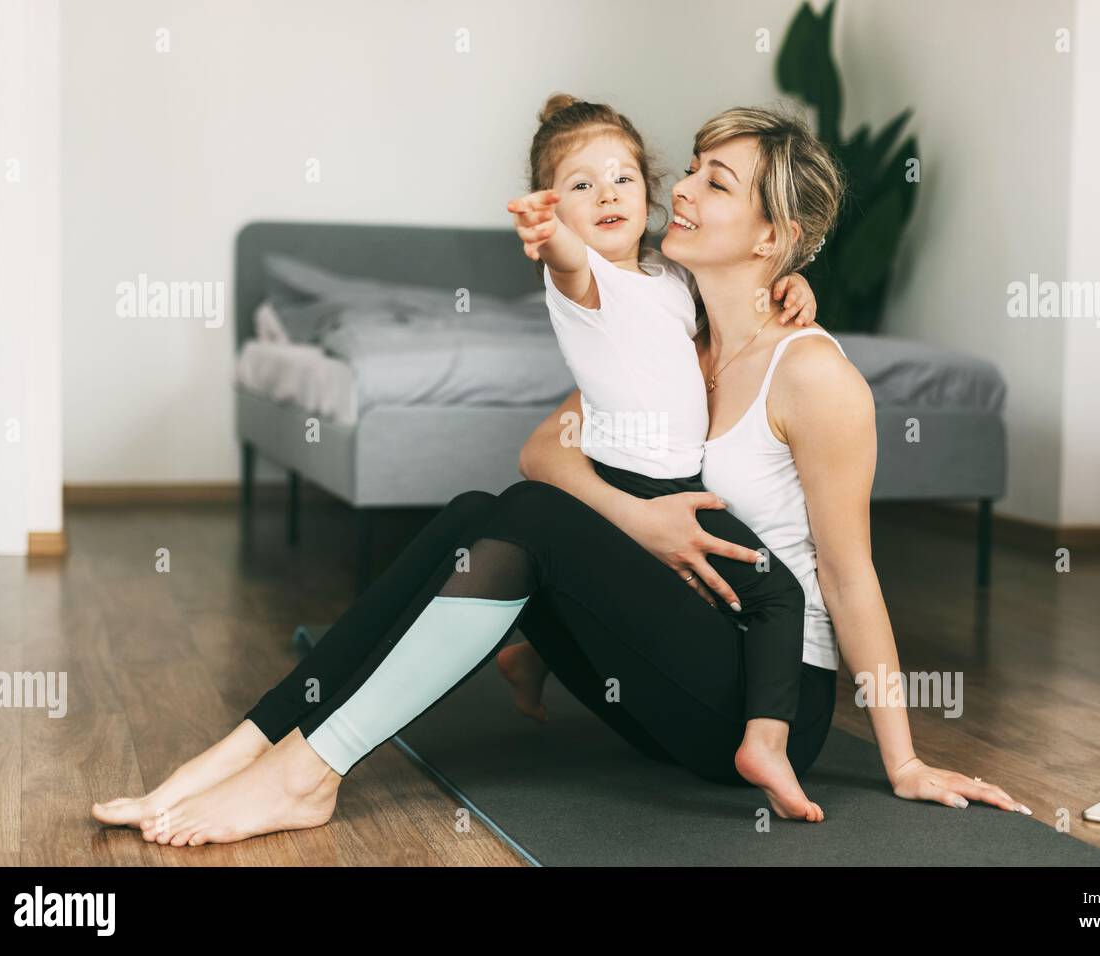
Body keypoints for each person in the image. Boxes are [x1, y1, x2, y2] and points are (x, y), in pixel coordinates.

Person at [91, 105, 1029, 848]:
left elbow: (849, 576)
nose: (682, 191)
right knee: (479, 512)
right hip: (666, 653)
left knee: (527, 522)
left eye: (715, 180)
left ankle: (311, 773)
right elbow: (542, 449)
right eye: (693, 169)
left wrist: (904, 761)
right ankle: (242, 748)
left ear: (773, 236)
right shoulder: (675, 338)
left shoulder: (815, 375)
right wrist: (640, 520)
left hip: (758, 695)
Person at [506, 93, 826, 819]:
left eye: (622, 178)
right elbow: (565, 262)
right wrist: (548, 231)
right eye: (580, 186)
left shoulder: (668, 275)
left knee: (684, 597)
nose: (606, 194)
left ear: (648, 192)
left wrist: (794, 281)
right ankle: (766, 743)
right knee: (778, 593)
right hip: (630, 478)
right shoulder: (590, 283)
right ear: (561, 206)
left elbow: (742, 294)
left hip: (675, 480)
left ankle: (531, 654)